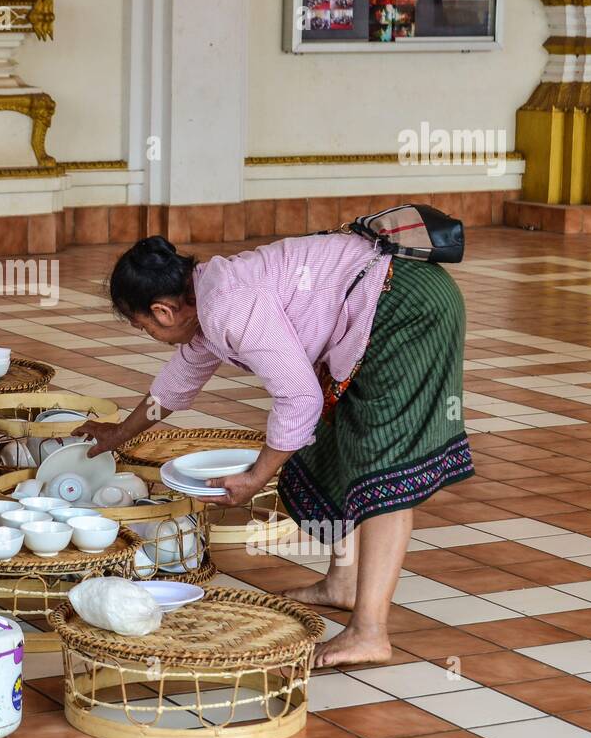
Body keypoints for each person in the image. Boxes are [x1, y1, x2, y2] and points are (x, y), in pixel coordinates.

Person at [74, 234, 473, 668]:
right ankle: (343, 583)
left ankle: (369, 633)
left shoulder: (229, 304)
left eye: (142, 326)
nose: (149, 335)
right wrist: (119, 434)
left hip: (407, 309)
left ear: (162, 311)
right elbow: (178, 382)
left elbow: (300, 399)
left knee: (386, 465)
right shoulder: (207, 298)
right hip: (383, 300)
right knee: (347, 442)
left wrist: (256, 476)